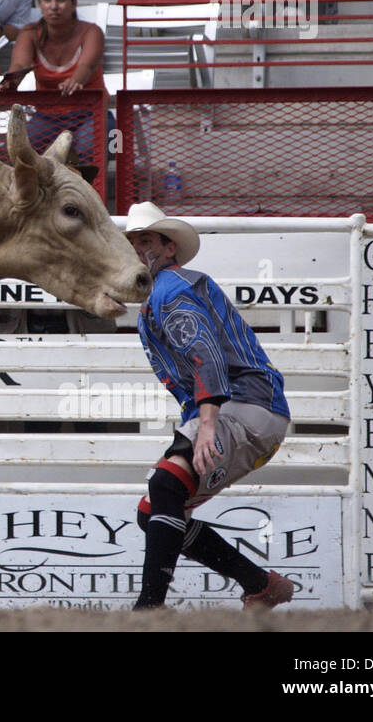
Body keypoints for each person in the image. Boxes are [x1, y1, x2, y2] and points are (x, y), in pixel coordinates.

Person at [122, 201, 294, 611]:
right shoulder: (168, 289)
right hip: (253, 408)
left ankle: (149, 610)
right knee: (157, 512)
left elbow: (205, 353)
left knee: (165, 488)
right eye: (131, 242)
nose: (135, 248)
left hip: (245, 404)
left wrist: (207, 424)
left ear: (168, 248)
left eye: (145, 240)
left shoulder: (170, 290)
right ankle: (260, 584)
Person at [0, 0, 107, 160]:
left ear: (74, 4)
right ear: (40, 5)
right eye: (47, 0)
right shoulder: (30, 33)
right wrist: (11, 80)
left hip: (90, 114)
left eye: (61, 0)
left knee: (87, 150)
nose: (54, 6)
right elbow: (19, 64)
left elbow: (87, 66)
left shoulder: (92, 31)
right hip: (47, 117)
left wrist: (75, 80)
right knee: (20, 150)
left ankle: (91, 189)